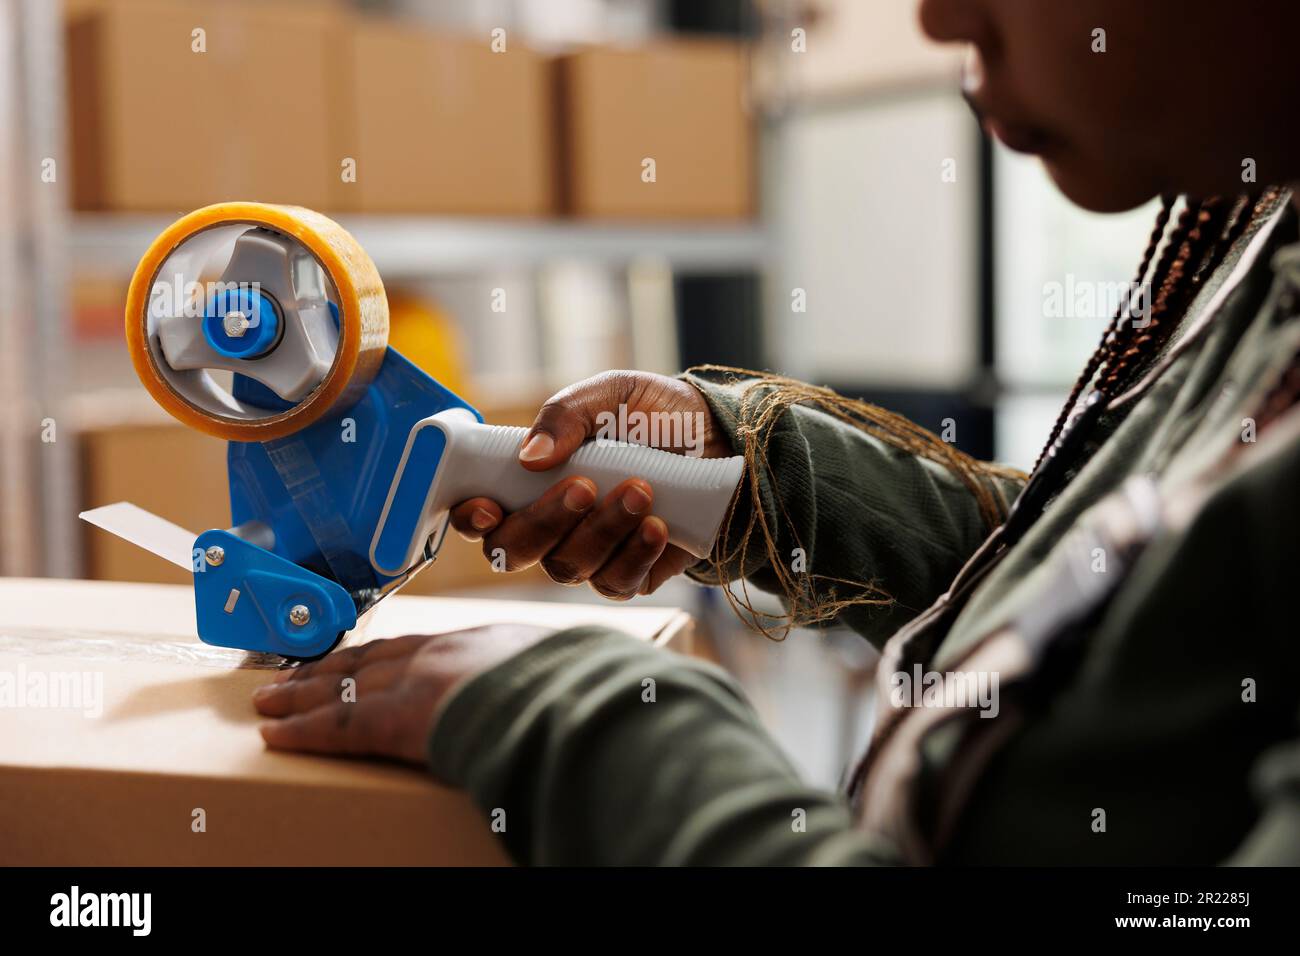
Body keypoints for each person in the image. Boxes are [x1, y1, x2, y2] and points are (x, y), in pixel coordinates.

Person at [251, 0, 1300, 865]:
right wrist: (758, 470)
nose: (936, 18)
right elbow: (1103, 584)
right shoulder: (1262, 258)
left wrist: (596, 729)